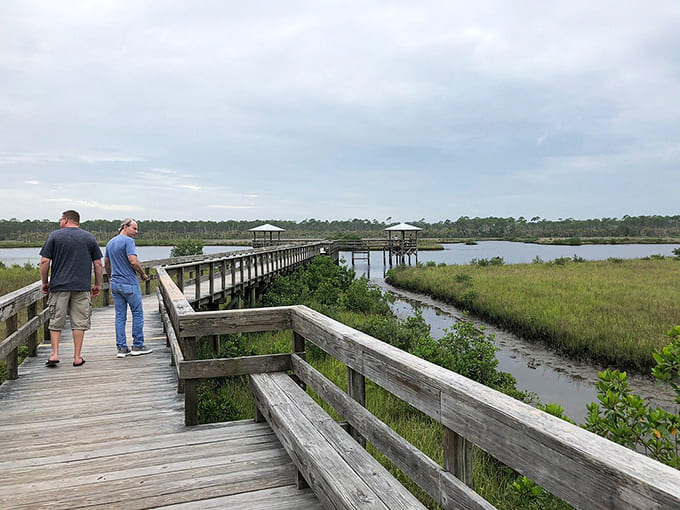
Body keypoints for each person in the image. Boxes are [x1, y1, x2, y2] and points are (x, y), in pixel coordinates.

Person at [40, 210, 103, 367]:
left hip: (59, 286)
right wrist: (97, 284)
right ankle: (77, 357)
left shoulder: (55, 236)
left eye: (61, 219)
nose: (60, 222)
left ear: (66, 220)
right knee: (79, 322)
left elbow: (44, 261)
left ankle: (54, 354)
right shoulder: (89, 237)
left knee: (56, 320)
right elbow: (98, 264)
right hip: (81, 287)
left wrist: (44, 282)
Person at [104, 218, 152, 358]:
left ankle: (121, 348)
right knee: (137, 313)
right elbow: (133, 260)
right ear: (125, 227)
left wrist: (111, 276)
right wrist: (142, 274)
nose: (136, 232)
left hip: (115, 283)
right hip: (129, 283)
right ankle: (138, 345)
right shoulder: (128, 241)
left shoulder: (110, 242)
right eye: (134, 228)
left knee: (120, 316)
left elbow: (106, 262)